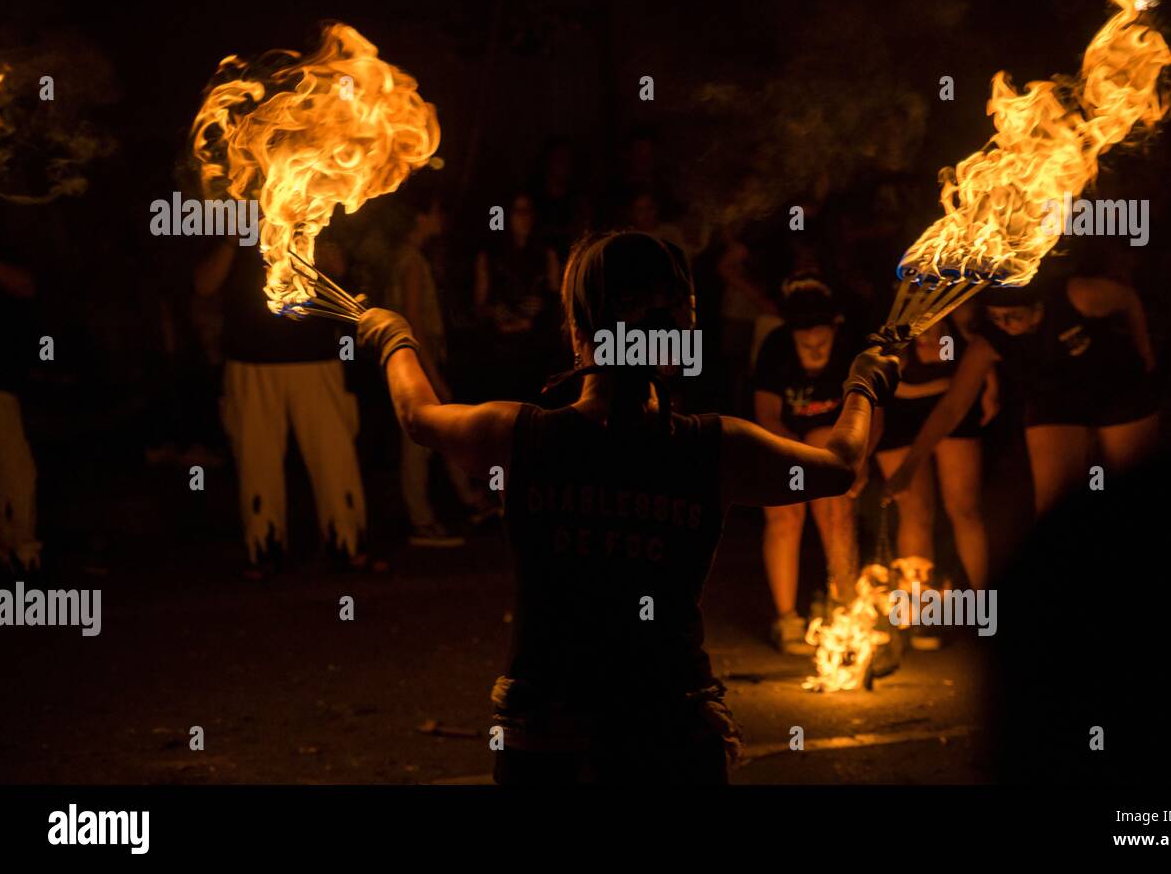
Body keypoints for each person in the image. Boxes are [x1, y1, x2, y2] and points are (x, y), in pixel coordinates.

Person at [357, 231, 903, 783]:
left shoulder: (517, 436)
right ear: (679, 335)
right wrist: (863, 384)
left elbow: (417, 416)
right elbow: (839, 466)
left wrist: (394, 339)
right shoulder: (714, 447)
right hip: (670, 734)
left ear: (577, 332)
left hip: (548, 738)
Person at [885, 274, 1157, 516]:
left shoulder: (1078, 296)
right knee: (1053, 500)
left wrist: (1144, 349)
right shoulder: (991, 340)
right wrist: (910, 467)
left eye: (1013, 316)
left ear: (1038, 306)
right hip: (1053, 401)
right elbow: (953, 406)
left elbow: (1127, 299)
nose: (1004, 324)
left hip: (1118, 389)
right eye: (995, 317)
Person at [195, 234, 372, 577]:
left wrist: (328, 261)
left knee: (334, 457)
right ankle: (264, 549)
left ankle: (348, 545)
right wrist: (232, 242)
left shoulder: (310, 201)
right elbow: (203, 286)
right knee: (256, 459)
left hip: (315, 360)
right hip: (250, 362)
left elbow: (344, 281)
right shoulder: (232, 218)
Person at [751, 273, 864, 654]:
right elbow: (765, 413)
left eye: (822, 342)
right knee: (785, 516)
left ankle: (847, 609)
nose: (815, 352)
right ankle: (787, 619)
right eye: (806, 344)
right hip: (783, 439)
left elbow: (868, 413)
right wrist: (797, 457)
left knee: (837, 510)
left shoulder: (851, 349)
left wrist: (855, 463)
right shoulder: (775, 347)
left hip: (831, 439)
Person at [871, 310, 995, 648]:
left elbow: (982, 367)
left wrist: (991, 387)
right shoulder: (893, 336)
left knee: (964, 507)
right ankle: (920, 613)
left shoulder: (963, 326)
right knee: (914, 511)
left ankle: (986, 609)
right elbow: (876, 404)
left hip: (953, 407)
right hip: (902, 415)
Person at [389, 196, 500, 547]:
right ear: (420, 217)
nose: (443, 218)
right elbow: (413, 325)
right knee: (419, 442)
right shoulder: (412, 263)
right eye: (437, 211)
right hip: (417, 363)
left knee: (439, 434)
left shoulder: (406, 258)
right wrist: (433, 376)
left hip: (415, 361)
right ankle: (421, 521)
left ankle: (468, 500)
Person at [473, 192, 562, 400]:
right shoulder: (489, 255)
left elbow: (557, 301)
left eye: (528, 211)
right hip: (500, 351)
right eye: (518, 212)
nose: (524, 218)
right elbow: (478, 305)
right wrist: (494, 311)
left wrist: (541, 308)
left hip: (535, 351)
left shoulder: (546, 254)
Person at [0, 247, 41, 576]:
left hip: (2, 385)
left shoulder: (11, 236)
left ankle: (23, 550)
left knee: (18, 473)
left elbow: (26, 285)